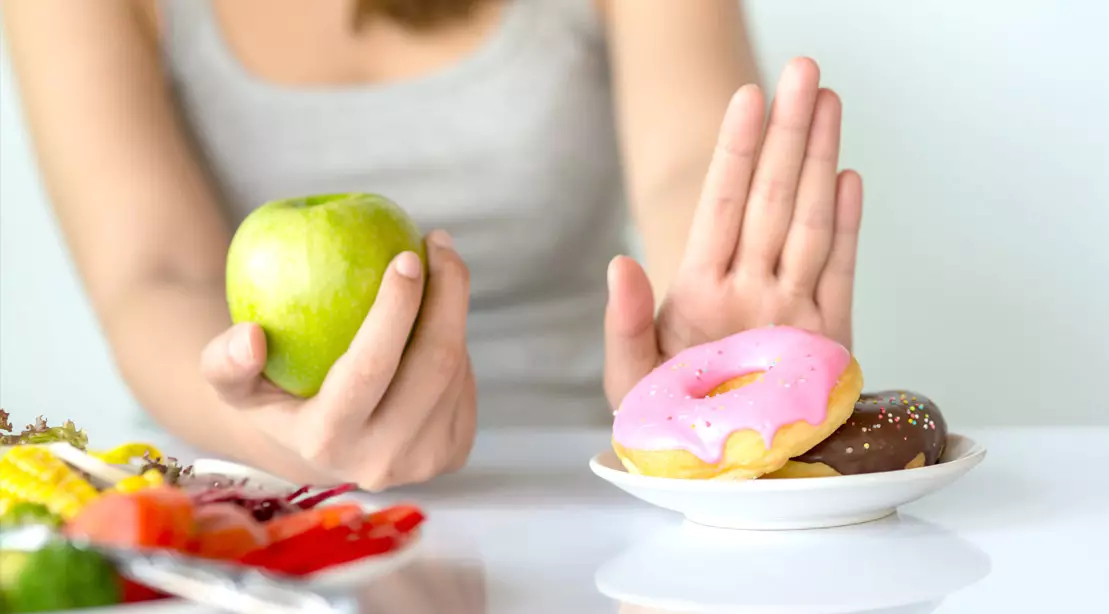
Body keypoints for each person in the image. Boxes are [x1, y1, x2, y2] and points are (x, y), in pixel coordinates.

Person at [3, 0, 862, 490]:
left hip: (577, 498)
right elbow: (153, 272)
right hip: (248, 515)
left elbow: (687, 170)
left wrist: (713, 357)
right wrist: (294, 443)